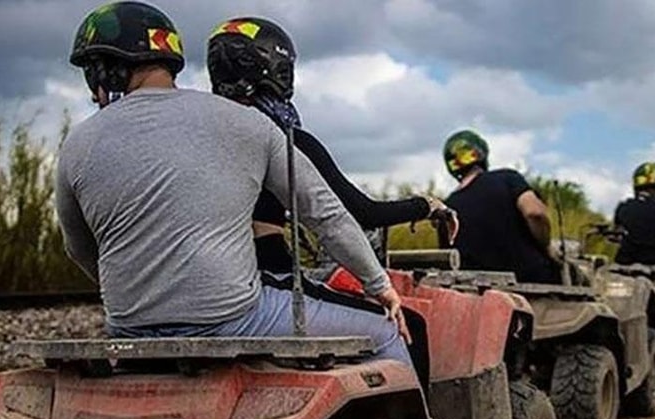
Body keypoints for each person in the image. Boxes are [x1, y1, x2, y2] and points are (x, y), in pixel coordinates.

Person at [55, 2, 410, 366]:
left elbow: (79, 248)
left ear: (108, 69)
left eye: (90, 73)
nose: (92, 91)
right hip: (235, 319)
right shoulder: (249, 124)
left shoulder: (75, 144)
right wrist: (379, 287)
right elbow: (325, 214)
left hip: (127, 328)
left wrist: (137, 292)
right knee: (384, 334)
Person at [205, 17, 458, 280]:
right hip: (260, 288)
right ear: (276, 69)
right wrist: (427, 205)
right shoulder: (286, 141)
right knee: (407, 321)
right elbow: (364, 214)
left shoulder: (200, 134)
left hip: (197, 285)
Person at [440, 129, 562, 283]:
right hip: (533, 286)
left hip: (480, 295)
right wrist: (546, 245)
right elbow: (535, 213)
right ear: (480, 153)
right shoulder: (507, 179)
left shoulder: (446, 209)